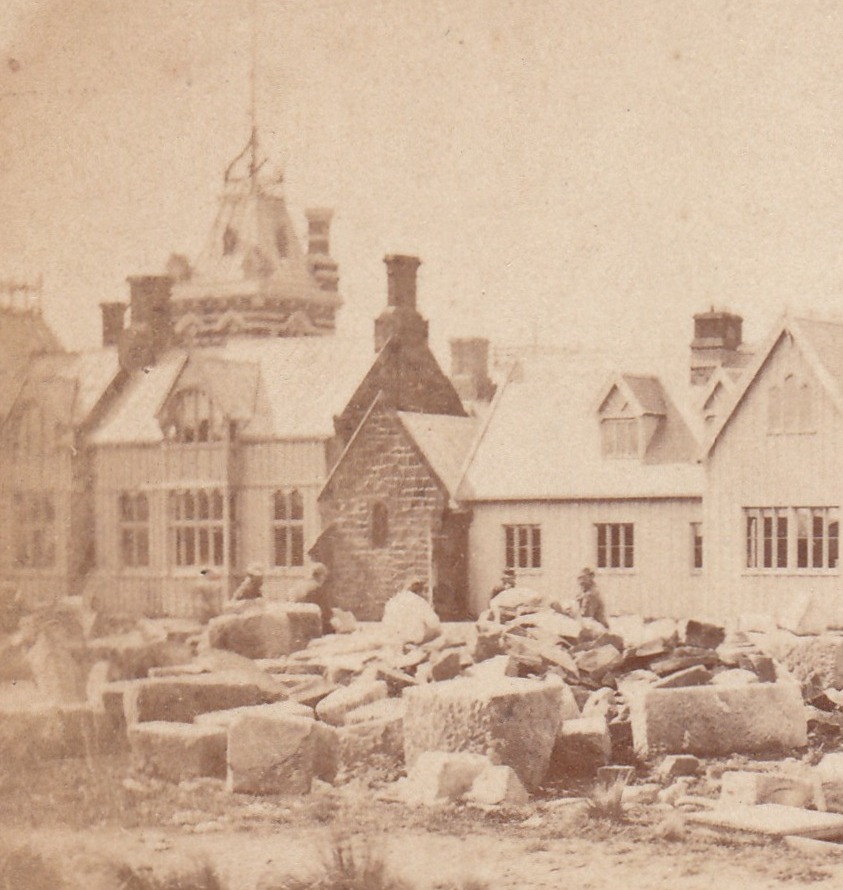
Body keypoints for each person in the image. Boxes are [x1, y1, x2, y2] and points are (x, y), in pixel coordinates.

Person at [290, 563, 331, 633]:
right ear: (320, 576)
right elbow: (325, 611)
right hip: (314, 624)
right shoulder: (317, 589)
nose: (324, 579)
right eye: (324, 576)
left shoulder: (300, 586)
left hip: (298, 623)